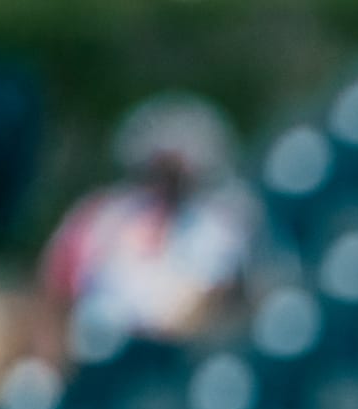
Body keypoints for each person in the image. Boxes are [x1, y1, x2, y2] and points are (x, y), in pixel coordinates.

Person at [34, 93, 257, 361]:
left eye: (175, 168)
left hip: (169, 361)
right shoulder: (101, 214)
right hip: (90, 353)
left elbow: (212, 302)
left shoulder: (221, 224)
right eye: (160, 166)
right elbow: (56, 287)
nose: (166, 178)